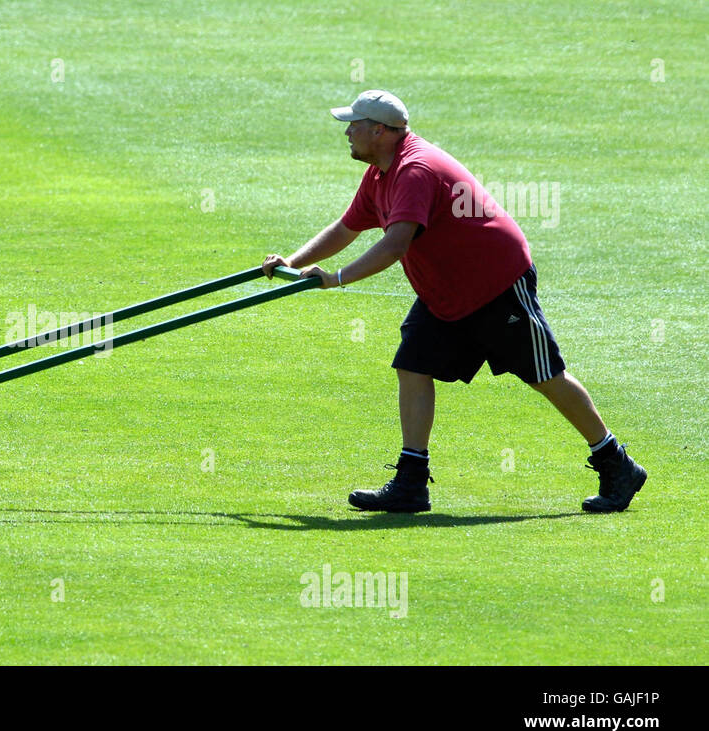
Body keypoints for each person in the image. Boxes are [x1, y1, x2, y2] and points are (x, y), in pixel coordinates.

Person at [262, 90, 646, 514]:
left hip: (494, 282)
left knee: (544, 375)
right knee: (414, 364)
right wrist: (294, 262)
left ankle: (616, 462)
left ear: (382, 132)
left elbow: (394, 245)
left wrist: (334, 279)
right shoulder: (380, 172)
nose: (348, 132)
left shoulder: (414, 170)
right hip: (445, 290)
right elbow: (348, 226)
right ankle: (411, 483)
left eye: (355, 125)